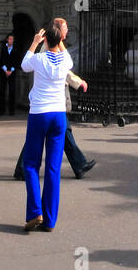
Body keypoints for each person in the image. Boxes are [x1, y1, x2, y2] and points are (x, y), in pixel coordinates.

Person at [14, 19, 96, 179]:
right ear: (57, 31)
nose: (67, 31)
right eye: (64, 28)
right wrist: (78, 82)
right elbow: (64, 68)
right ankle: (25, 168)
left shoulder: (56, 49)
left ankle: (78, 164)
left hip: (49, 104)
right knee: (52, 135)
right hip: (52, 102)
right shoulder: (48, 49)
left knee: (51, 133)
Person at [20, 20, 74, 231]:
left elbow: (24, 65)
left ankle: (35, 212)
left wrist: (34, 43)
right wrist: (59, 40)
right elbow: (65, 54)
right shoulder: (66, 59)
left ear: (45, 40)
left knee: (31, 164)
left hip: (39, 113)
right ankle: (50, 220)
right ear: (60, 40)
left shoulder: (39, 59)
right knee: (53, 167)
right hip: (58, 115)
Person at [0, 32, 18, 115]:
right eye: (10, 39)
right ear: (7, 40)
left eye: (12, 39)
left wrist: (11, 71)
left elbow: (16, 61)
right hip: (4, 72)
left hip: (12, 72)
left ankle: (11, 111)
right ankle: (1, 110)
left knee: (12, 91)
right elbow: (1, 61)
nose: (11, 41)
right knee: (2, 91)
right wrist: (6, 70)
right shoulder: (3, 48)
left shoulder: (16, 49)